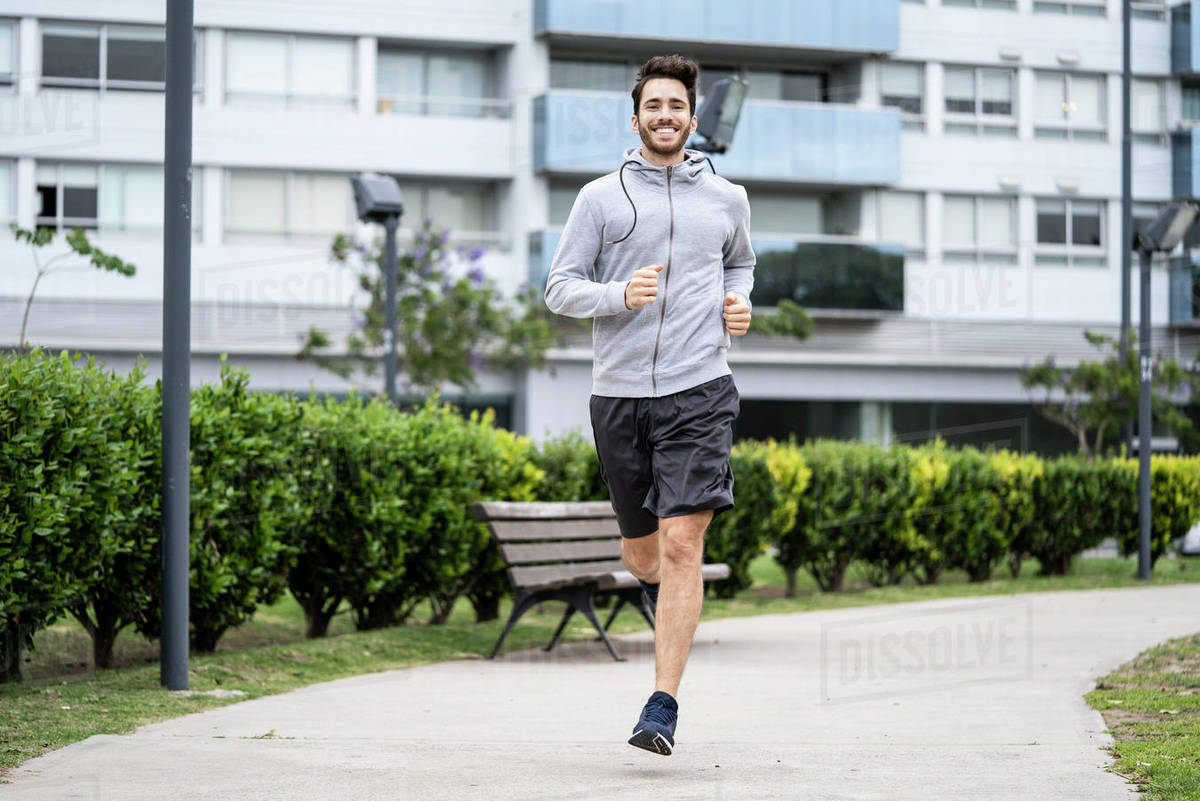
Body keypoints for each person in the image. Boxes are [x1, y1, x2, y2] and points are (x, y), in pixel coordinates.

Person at [543, 54, 755, 756]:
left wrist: (739, 300)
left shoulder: (728, 197)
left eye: (677, 106)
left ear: (692, 119)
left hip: (700, 388)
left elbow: (741, 261)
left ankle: (661, 705)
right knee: (644, 556)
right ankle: (667, 590)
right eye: (653, 106)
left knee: (682, 541)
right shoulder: (600, 198)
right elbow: (559, 287)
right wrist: (616, 295)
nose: (666, 115)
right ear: (635, 118)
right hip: (621, 396)